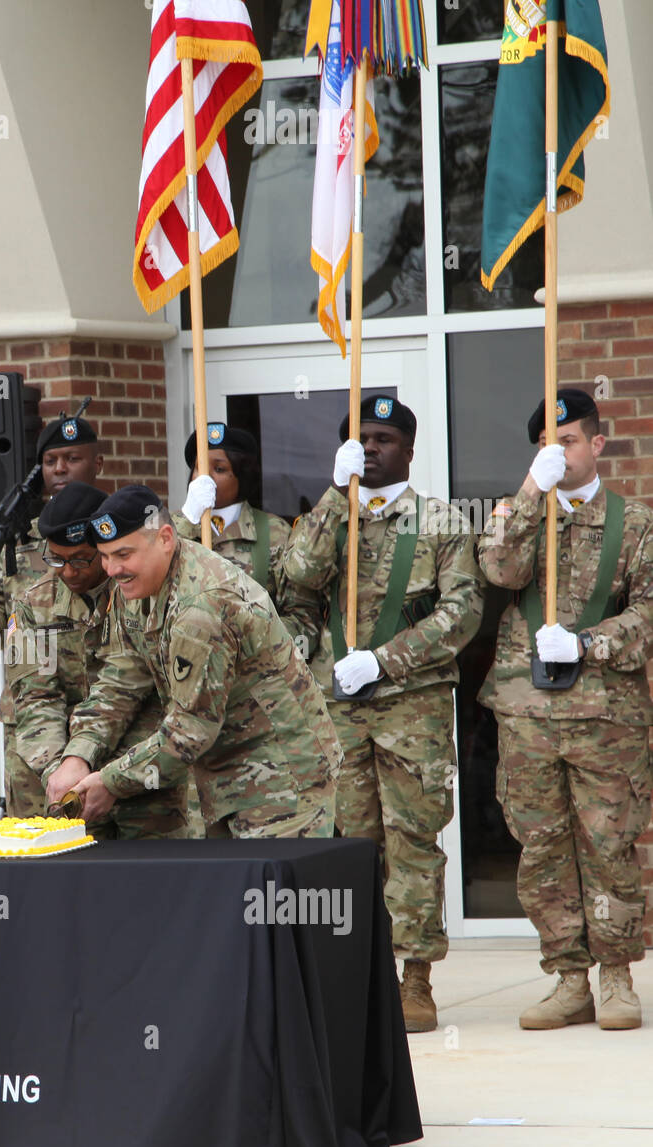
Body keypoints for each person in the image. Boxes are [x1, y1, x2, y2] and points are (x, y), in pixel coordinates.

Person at [280, 396, 484, 1032]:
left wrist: (385, 661)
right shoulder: (328, 518)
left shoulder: (441, 522)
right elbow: (297, 577)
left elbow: (463, 614)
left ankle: (415, 976)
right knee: (346, 844)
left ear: (410, 450)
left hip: (410, 709)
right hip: (336, 710)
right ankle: (356, 968)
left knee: (413, 842)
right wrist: (331, 496)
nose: (371, 448)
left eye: (384, 438)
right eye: (359, 438)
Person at [478, 388, 653, 1031]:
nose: (559, 452)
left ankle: (615, 977)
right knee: (541, 849)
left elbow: (651, 611)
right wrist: (530, 492)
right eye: (547, 445)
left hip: (606, 718)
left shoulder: (635, 524)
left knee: (608, 845)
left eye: (569, 440)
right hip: (527, 715)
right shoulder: (522, 514)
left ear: (598, 443)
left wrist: (590, 641)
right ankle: (569, 978)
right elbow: (498, 568)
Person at [45, 485, 341, 837]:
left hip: (283, 780)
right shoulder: (136, 584)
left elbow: (191, 728)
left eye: (123, 554)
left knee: (273, 893)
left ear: (165, 538)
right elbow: (122, 679)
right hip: (222, 777)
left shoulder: (202, 606)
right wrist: (78, 755)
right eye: (105, 555)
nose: (111, 569)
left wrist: (110, 782)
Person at [8, 481, 188, 838]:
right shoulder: (33, 603)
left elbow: (136, 686)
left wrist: (104, 772)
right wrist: (64, 772)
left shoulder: (138, 588)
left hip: (142, 764)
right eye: (56, 559)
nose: (68, 572)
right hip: (59, 766)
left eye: (80, 559)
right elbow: (35, 699)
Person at [0, 406, 106, 817]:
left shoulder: (119, 538)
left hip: (102, 714)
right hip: (33, 721)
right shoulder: (16, 539)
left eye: (72, 459)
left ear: (97, 463)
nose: (60, 469)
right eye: (50, 462)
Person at [172, 420, 321, 654]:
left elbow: (304, 620)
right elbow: (148, 601)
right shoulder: (167, 531)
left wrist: (247, 634)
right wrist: (188, 519)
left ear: (242, 476)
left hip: (254, 678)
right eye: (199, 468)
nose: (205, 478)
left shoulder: (274, 533)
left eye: (219, 469)